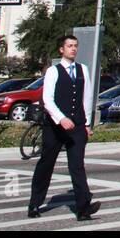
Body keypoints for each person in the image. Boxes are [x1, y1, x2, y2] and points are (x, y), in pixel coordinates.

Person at [28, 35, 101, 221]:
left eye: (75, 46)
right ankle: (34, 204)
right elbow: (48, 100)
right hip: (55, 127)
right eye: (69, 46)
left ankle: (84, 208)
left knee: (77, 166)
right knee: (46, 163)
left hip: (76, 125)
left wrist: (86, 123)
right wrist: (61, 118)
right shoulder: (53, 71)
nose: (73, 49)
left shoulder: (83, 69)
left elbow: (87, 98)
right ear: (62, 49)